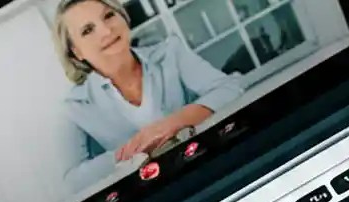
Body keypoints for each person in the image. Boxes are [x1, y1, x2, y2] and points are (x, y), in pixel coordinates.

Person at [53, 0, 245, 190]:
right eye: (88, 30)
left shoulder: (170, 52)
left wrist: (171, 124)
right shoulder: (74, 106)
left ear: (123, 17)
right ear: (76, 52)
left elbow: (230, 88)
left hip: (208, 163)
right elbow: (72, 180)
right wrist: (130, 152)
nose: (106, 30)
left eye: (109, 15)